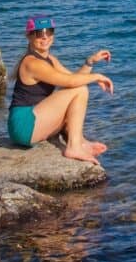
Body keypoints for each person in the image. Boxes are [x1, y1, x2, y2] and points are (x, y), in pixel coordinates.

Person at [7, 14, 113, 165]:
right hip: (24, 125)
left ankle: (80, 141)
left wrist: (89, 62)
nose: (45, 37)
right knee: (81, 90)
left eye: (49, 32)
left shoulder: (51, 60)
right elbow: (71, 82)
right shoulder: (32, 63)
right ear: (29, 36)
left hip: (34, 120)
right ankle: (74, 147)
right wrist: (97, 77)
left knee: (79, 90)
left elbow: (73, 79)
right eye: (39, 33)